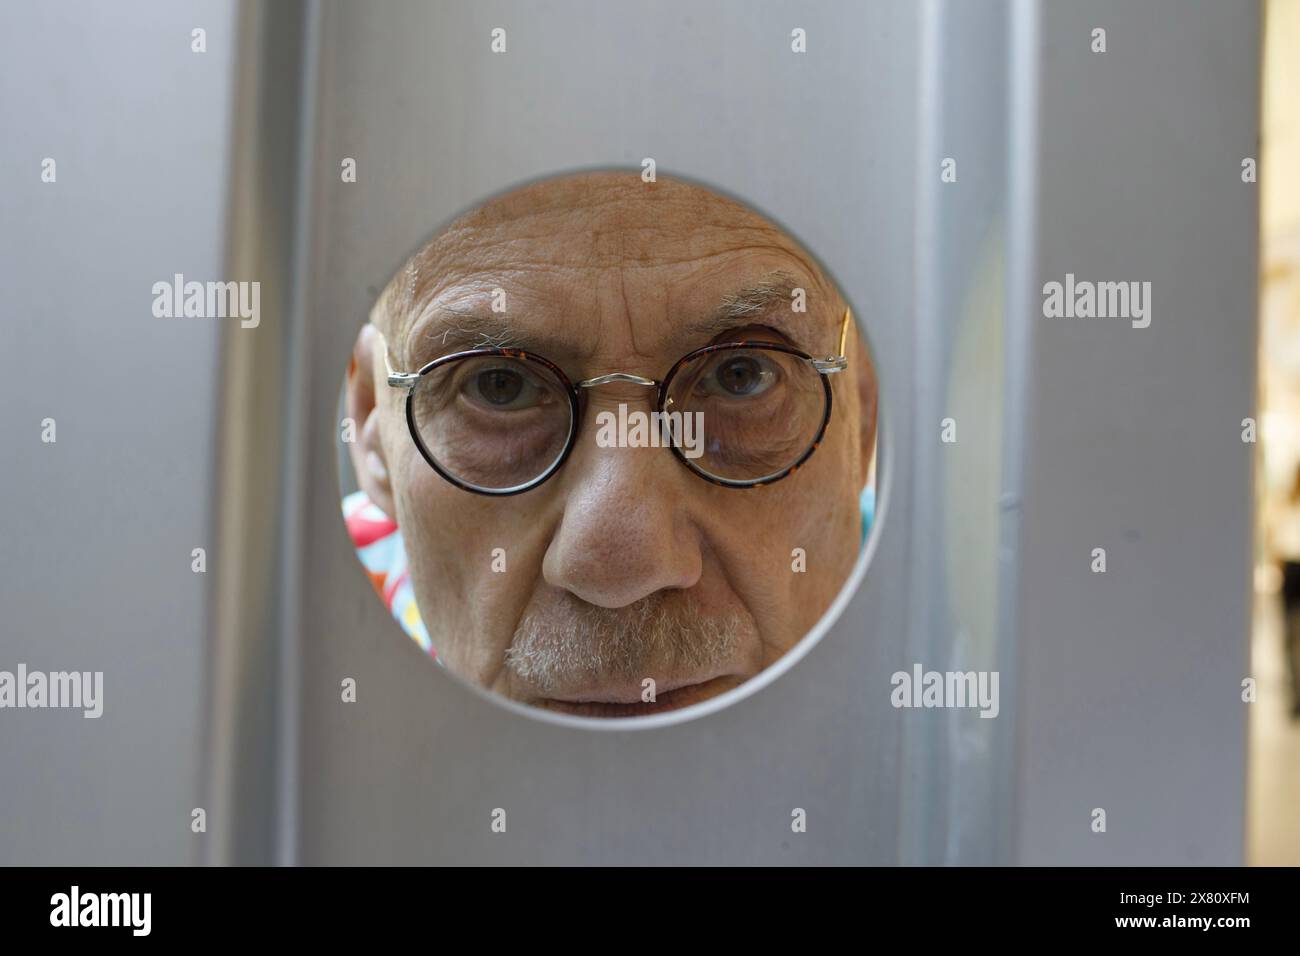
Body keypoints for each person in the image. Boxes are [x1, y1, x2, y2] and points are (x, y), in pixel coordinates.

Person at [343, 171, 877, 717]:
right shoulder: (287, 685)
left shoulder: (953, 663)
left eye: (740, 375)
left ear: (865, 412)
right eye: (498, 386)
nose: (621, 572)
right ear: (371, 428)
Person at [1270, 463, 1300, 718]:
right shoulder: (1287, 506)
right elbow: (1276, 543)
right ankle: (1295, 692)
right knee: (1290, 633)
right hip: (1291, 570)